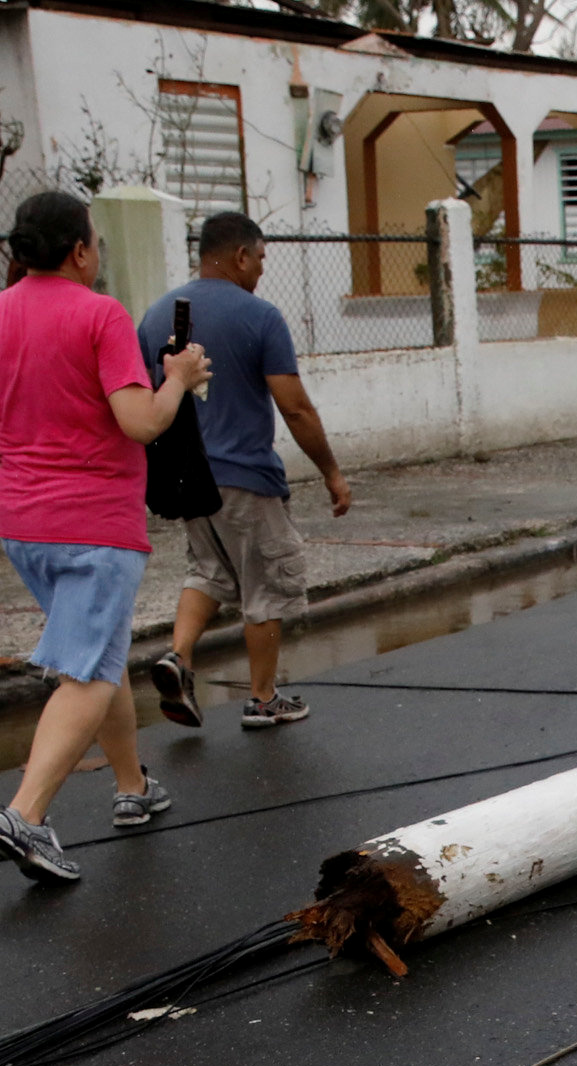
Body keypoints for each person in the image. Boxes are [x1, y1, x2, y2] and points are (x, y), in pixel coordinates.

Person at [0, 188, 212, 885]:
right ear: (81, 250)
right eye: (95, 246)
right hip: (96, 524)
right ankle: (24, 816)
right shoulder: (99, 315)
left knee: (98, 652)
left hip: (23, 522)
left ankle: (132, 787)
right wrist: (178, 379)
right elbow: (141, 422)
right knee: (85, 668)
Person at [135, 210, 353, 732]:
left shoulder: (153, 316)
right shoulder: (261, 317)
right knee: (265, 586)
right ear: (238, 256)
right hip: (245, 477)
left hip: (185, 477)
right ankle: (262, 698)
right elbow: (294, 407)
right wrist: (331, 472)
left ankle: (179, 658)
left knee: (207, 571)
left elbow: (147, 399)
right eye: (258, 259)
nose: (259, 270)